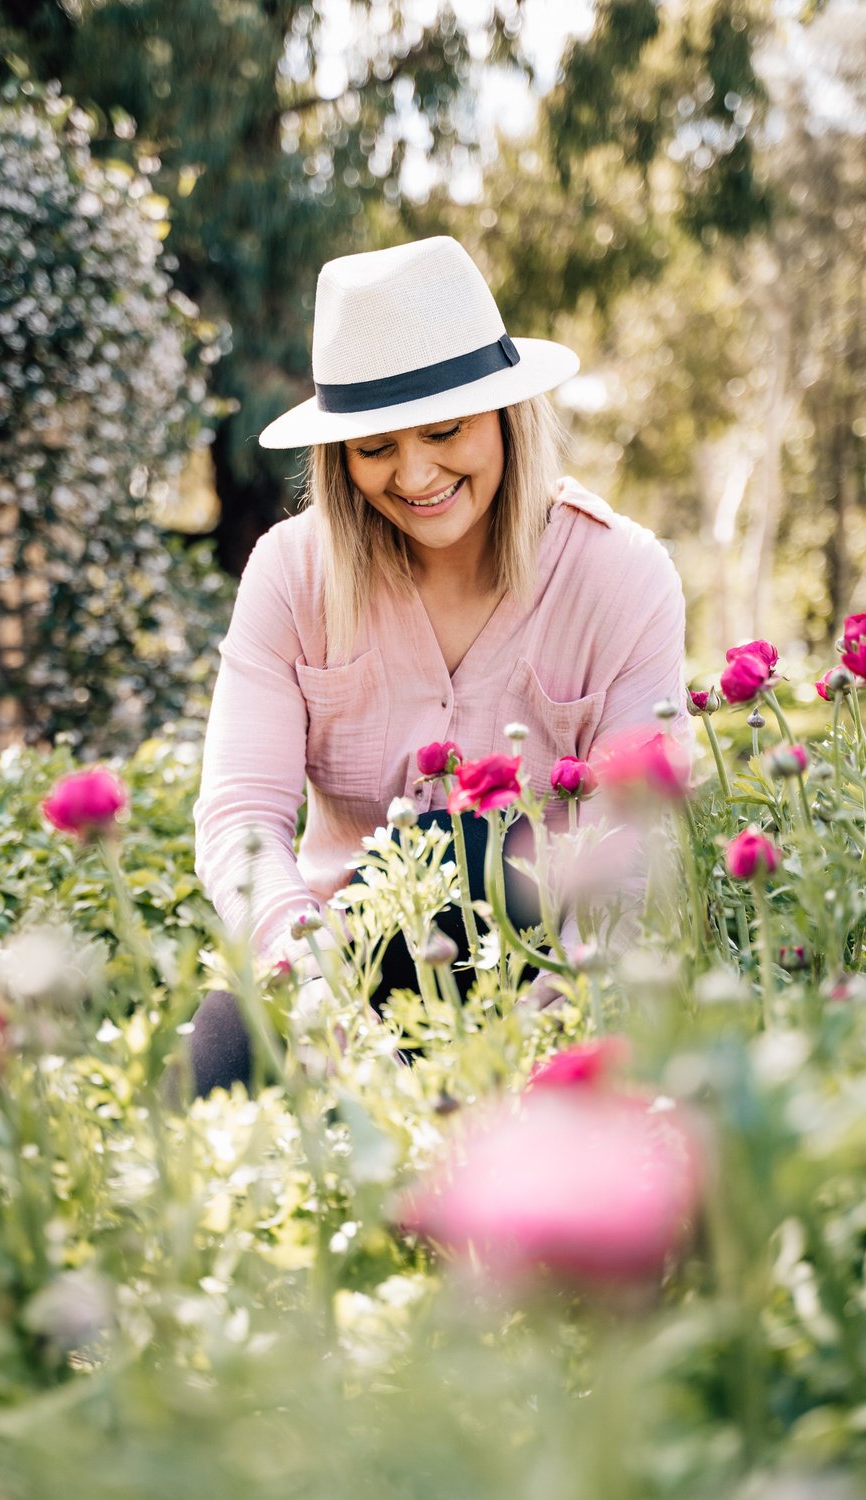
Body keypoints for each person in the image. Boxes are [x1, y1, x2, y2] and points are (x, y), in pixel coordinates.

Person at [191, 236, 689, 1095]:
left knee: (477, 848)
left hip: (542, 979)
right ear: (339, 455)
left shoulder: (622, 574)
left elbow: (637, 848)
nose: (415, 474)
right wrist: (312, 988)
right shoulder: (290, 573)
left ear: (505, 414)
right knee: (222, 1046)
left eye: (445, 430)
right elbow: (239, 819)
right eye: (375, 447)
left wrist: (551, 1033)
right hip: (343, 975)